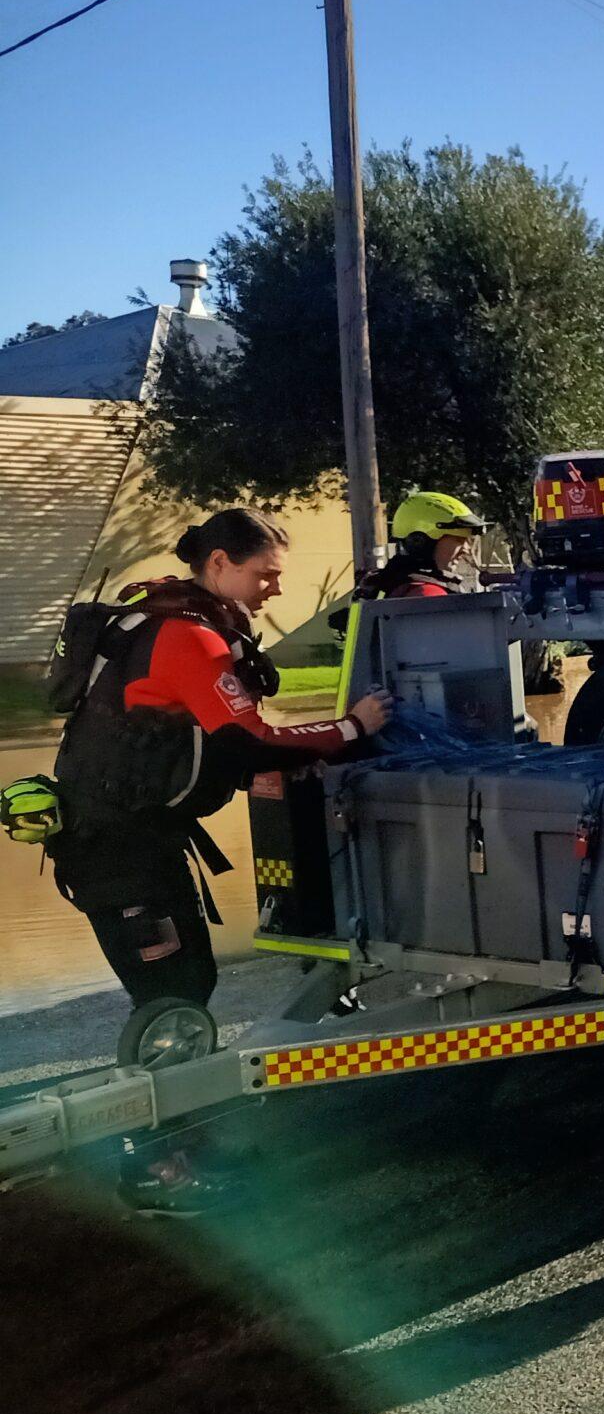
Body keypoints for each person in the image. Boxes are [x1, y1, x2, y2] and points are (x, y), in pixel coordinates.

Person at [49, 510, 389, 1209]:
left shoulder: (163, 621)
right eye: (264, 573)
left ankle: (176, 1148)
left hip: (122, 842)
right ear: (220, 564)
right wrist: (352, 728)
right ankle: (156, 1171)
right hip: (120, 851)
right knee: (171, 998)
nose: (272, 589)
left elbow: (229, 734)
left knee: (183, 985)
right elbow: (244, 745)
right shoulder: (188, 636)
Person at [349, 489, 490, 603]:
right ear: (420, 542)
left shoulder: (386, 583)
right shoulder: (428, 595)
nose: (466, 549)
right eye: (459, 540)